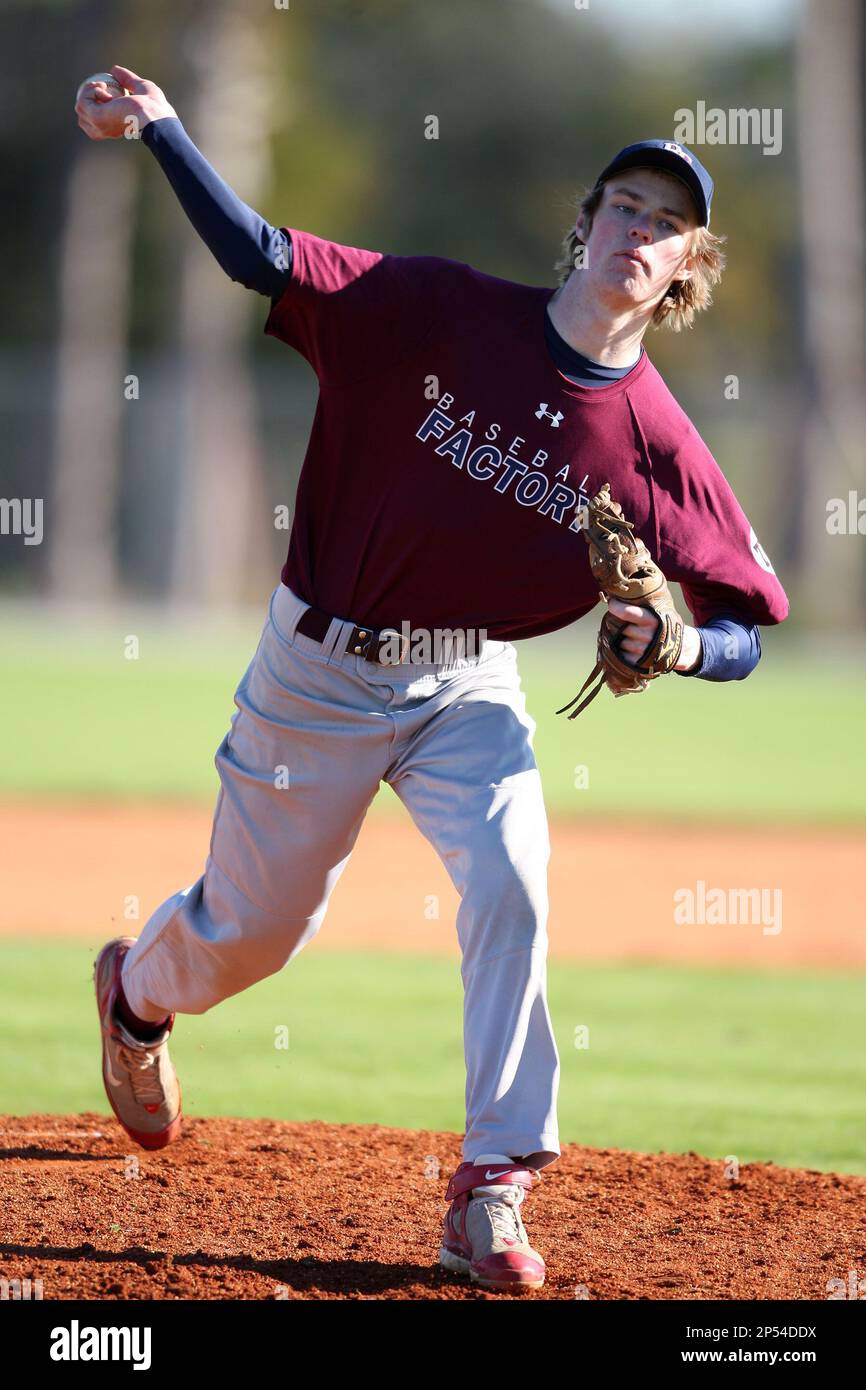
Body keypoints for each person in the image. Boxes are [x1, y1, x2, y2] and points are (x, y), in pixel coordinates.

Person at [77, 66, 789, 1294]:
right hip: (317, 668)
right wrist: (162, 129)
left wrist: (672, 645)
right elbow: (258, 256)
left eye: (666, 223)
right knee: (252, 935)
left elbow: (745, 623)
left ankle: (490, 1192)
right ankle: (137, 999)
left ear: (686, 268)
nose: (638, 230)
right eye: (622, 205)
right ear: (583, 224)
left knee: (512, 878)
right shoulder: (436, 310)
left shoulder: (659, 445)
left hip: (468, 685)